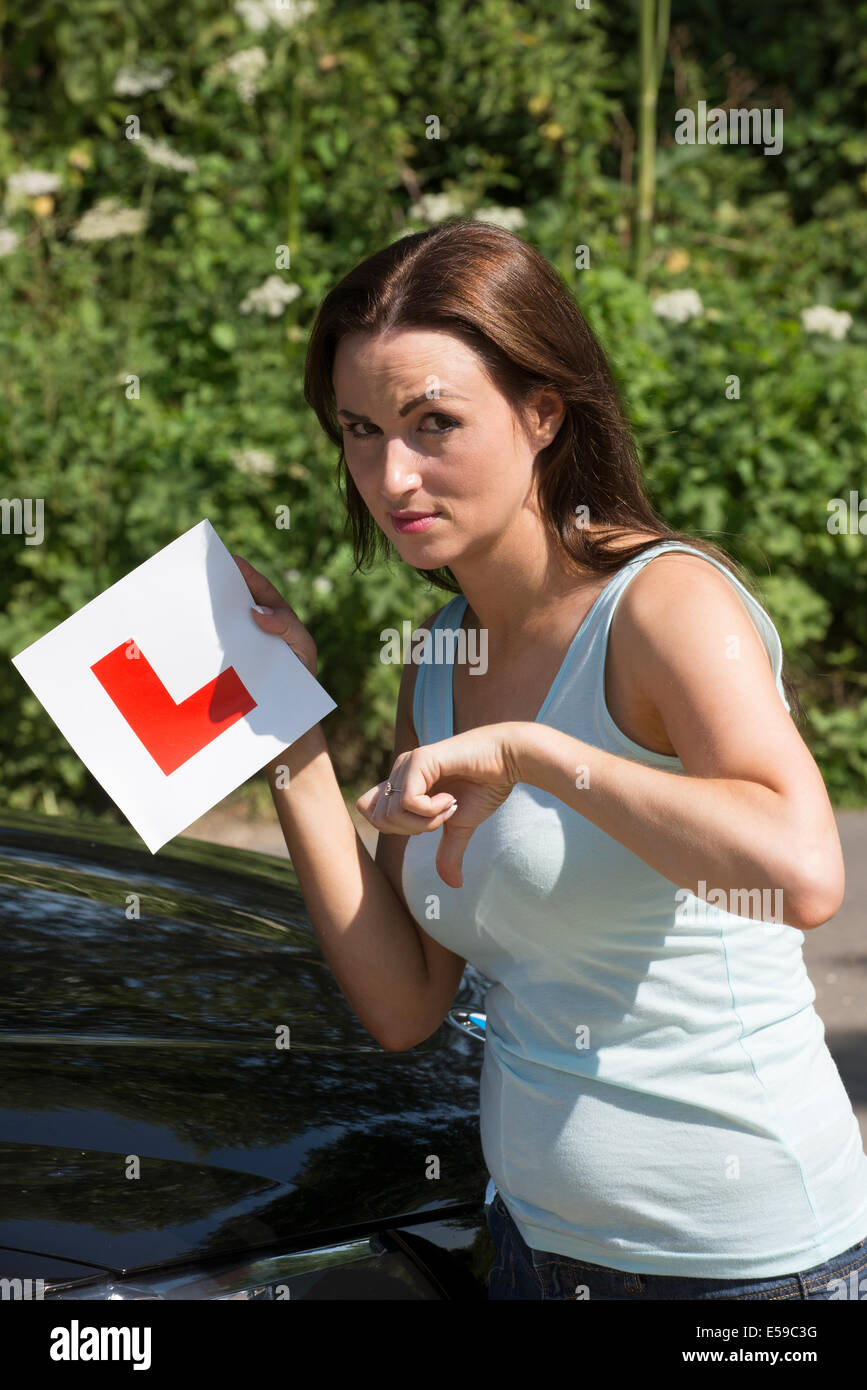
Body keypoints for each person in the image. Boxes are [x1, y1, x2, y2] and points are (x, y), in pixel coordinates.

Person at [233, 219, 867, 1300]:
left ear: (542, 412)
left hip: (745, 1274)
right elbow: (404, 1002)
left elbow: (803, 877)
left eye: (434, 423)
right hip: (535, 1249)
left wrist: (537, 754)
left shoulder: (667, 608)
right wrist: (291, 744)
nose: (392, 472)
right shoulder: (440, 658)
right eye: (358, 429)